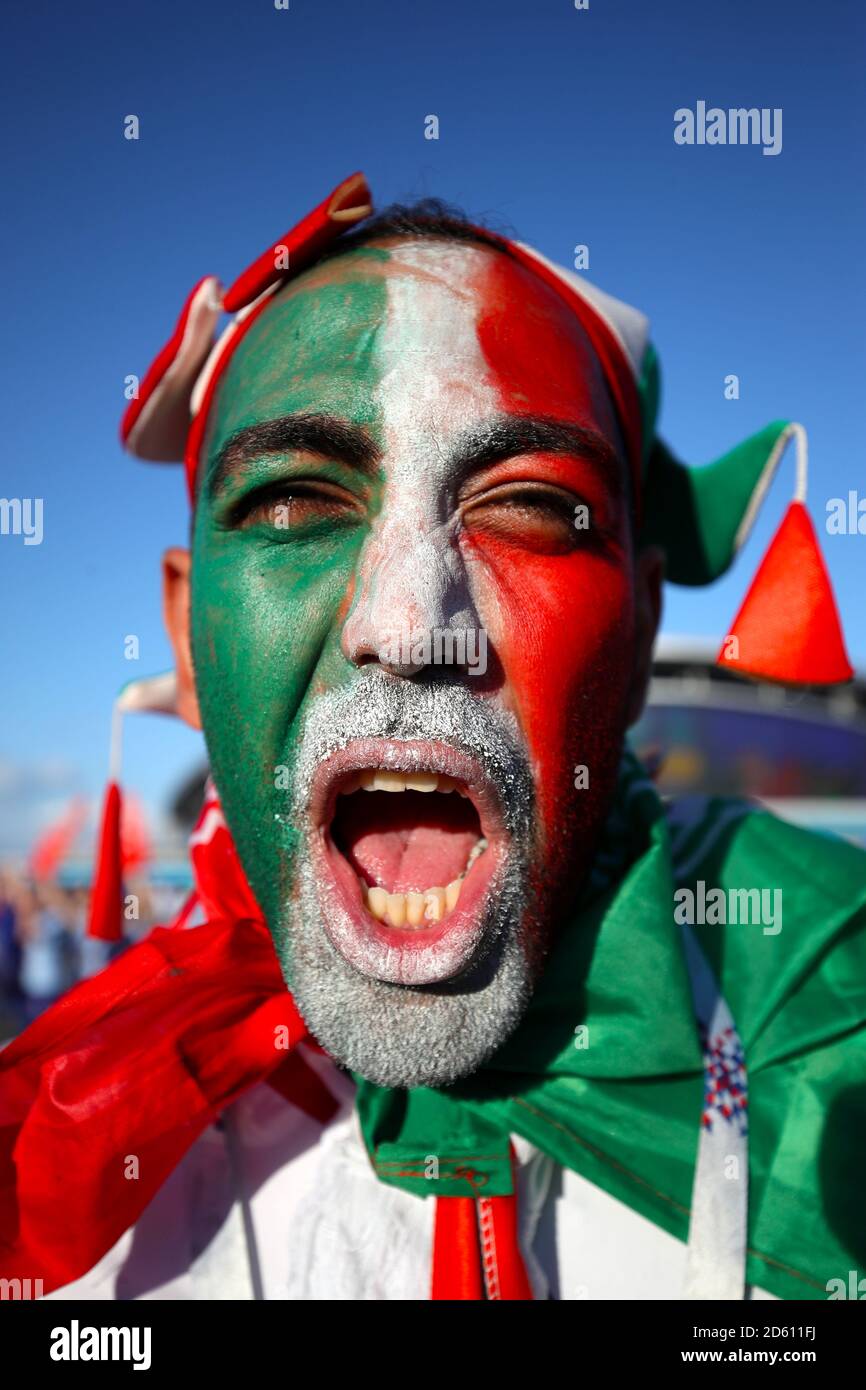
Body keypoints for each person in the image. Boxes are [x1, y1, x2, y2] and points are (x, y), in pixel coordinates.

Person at [2, 174, 864, 1302]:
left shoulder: (823, 1014)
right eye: (295, 503)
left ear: (641, 623)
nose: (406, 627)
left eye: (528, 506)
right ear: (184, 629)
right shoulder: (67, 1162)